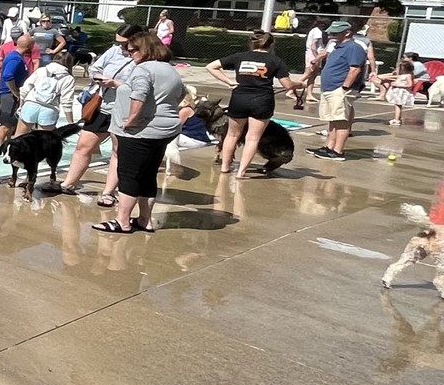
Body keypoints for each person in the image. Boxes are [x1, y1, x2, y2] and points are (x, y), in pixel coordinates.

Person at [96, 29, 184, 234]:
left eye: (133, 49)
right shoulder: (169, 69)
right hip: (164, 130)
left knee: (129, 175)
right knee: (147, 175)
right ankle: (145, 219)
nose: (129, 53)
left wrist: (131, 120)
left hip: (140, 132)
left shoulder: (143, 70)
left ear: (146, 49)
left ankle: (122, 221)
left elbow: (139, 96)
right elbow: (181, 95)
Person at [60, 22, 142, 204]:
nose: (120, 47)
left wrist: (116, 84)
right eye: (118, 42)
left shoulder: (143, 58)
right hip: (103, 105)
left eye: (124, 43)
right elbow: (96, 68)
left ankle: (108, 192)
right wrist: (99, 78)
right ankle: (68, 183)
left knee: (117, 151)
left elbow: (143, 88)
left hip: (124, 109)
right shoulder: (113, 51)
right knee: (83, 145)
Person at [206, 31, 301, 178]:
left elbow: (211, 67)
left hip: (239, 99)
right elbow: (288, 85)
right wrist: (299, 84)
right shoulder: (275, 61)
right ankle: (241, 172)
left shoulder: (240, 57)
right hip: (262, 101)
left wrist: (229, 81)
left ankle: (225, 167)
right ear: (271, 45)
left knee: (232, 135)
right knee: (252, 138)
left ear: (252, 43)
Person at [306, 20, 364, 161]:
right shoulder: (337, 47)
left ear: (347, 33)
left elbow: (355, 69)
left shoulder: (353, 48)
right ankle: (328, 147)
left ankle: (338, 151)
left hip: (340, 89)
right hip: (330, 88)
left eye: (335, 33)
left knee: (341, 121)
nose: (331, 35)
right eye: (331, 32)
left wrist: (345, 87)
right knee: (332, 120)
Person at [0, 32, 33, 144]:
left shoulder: (16, 56)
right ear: (28, 46)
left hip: (10, 94)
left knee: (11, 126)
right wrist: (15, 92)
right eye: (32, 45)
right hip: (9, 95)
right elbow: (7, 75)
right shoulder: (15, 58)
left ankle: (7, 147)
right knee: (6, 125)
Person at [17, 56, 76, 130]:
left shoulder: (41, 70)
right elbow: (67, 101)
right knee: (44, 140)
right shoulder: (69, 78)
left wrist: (21, 106)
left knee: (19, 137)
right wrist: (70, 122)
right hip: (50, 109)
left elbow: (25, 89)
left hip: (31, 104)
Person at [376, 51, 425, 125]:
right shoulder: (403, 75)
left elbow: (410, 85)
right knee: (397, 105)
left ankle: (397, 119)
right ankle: (397, 118)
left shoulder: (408, 75)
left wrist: (398, 85)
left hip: (402, 92)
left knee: (398, 105)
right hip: (398, 91)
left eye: (400, 68)